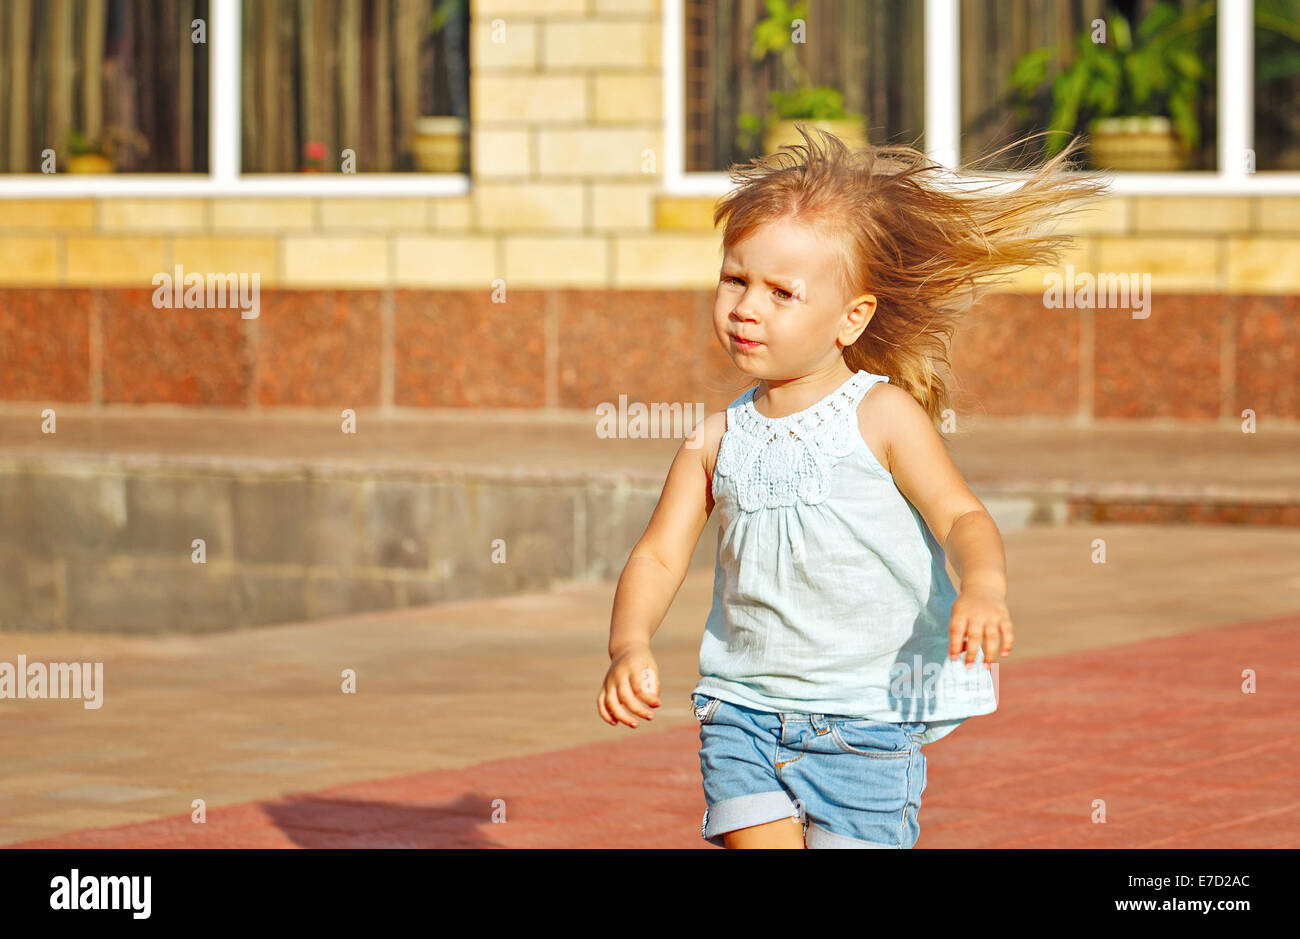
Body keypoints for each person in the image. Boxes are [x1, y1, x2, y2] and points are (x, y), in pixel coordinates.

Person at [597, 124, 1106, 848]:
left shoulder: (883, 414)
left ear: (851, 318)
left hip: (866, 723)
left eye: (782, 292)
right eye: (736, 279)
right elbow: (657, 556)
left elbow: (962, 514)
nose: (747, 306)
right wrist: (628, 643)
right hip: (741, 713)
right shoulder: (713, 439)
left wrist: (984, 586)